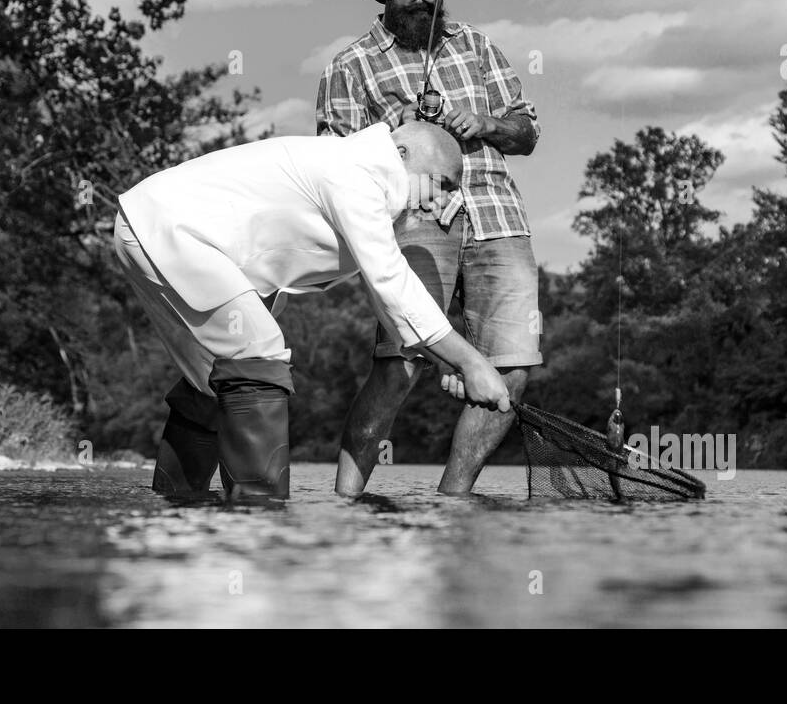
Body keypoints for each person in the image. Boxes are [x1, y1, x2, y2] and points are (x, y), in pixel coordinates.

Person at [113, 120, 510, 501]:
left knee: (212, 383)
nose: (442, 201)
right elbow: (392, 283)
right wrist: (473, 362)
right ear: (401, 153)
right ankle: (258, 515)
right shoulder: (361, 173)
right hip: (170, 228)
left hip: (152, 227)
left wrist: (447, 363)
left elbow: (383, 298)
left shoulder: (362, 178)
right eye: (439, 183)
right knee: (258, 354)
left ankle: (176, 507)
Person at [317, 0, 542, 496]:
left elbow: (526, 132)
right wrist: (401, 140)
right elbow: (332, 168)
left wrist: (487, 122)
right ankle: (346, 501)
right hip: (415, 223)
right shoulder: (350, 65)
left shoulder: (478, 46)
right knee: (402, 364)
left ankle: (452, 503)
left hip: (498, 216)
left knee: (512, 369)